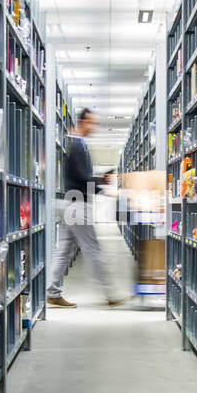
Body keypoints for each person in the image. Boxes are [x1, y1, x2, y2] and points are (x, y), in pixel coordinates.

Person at [47, 109, 125, 308]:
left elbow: (81, 176)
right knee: (93, 249)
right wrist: (103, 189)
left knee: (63, 249)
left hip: (70, 204)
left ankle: (53, 292)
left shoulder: (77, 144)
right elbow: (82, 177)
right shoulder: (76, 145)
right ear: (82, 122)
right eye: (91, 123)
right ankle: (110, 293)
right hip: (77, 206)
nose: (94, 127)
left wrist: (100, 180)